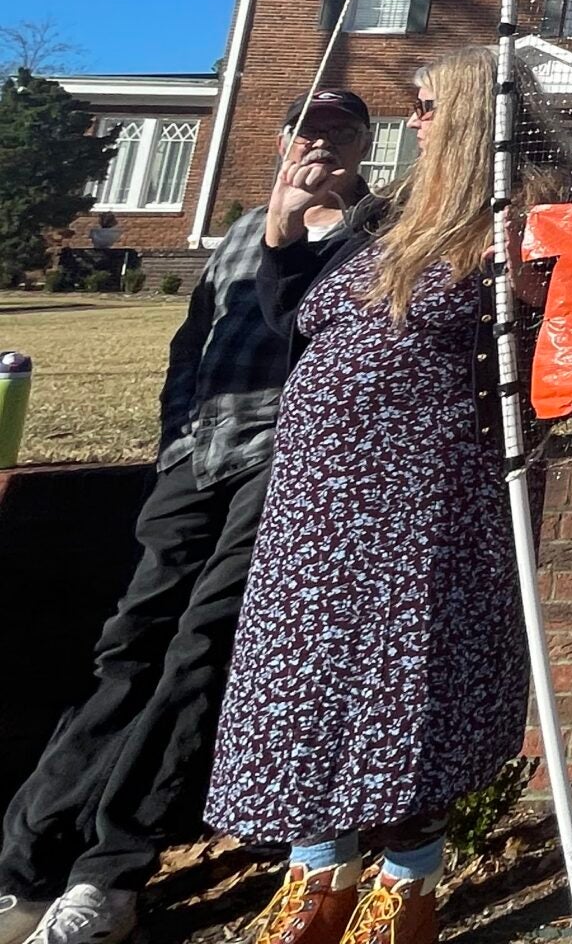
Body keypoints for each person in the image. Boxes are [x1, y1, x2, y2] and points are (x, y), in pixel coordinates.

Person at [0, 93, 376, 944]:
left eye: (340, 134)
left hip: (283, 459)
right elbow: (195, 338)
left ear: (362, 150)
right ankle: (24, 863)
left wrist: (300, 230)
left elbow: (330, 340)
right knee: (129, 645)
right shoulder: (244, 228)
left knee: (200, 650)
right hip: (199, 457)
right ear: (284, 140)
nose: (319, 146)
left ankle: (111, 873)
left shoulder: (366, 235)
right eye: (306, 131)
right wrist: (177, 435)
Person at [203, 50, 539, 944]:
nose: (414, 121)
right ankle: (318, 877)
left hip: (432, 492)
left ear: (473, 112)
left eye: (427, 106)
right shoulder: (384, 211)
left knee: (412, 680)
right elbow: (291, 319)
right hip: (319, 498)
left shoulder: (518, 213)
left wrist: (542, 251)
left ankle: (406, 890)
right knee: (308, 676)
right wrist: (281, 227)